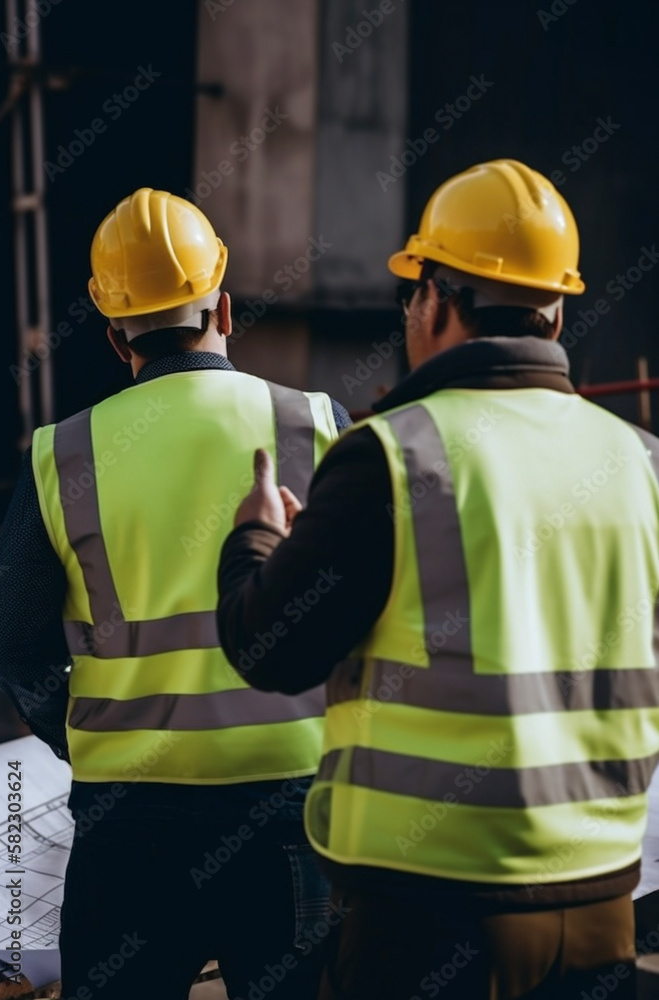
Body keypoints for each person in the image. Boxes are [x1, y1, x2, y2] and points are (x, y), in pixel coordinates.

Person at [216, 159, 659, 1000]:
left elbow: (270, 648)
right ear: (555, 307)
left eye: (412, 291)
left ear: (438, 300)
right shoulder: (639, 463)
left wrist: (255, 540)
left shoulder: (394, 456)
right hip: (604, 902)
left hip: (427, 917)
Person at [0, 187, 350, 1000]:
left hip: (129, 819)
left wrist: (85, 737)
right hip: (287, 807)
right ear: (225, 306)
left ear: (116, 334)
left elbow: (14, 644)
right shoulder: (314, 423)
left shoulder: (62, 453)